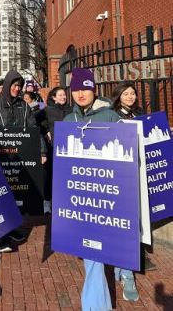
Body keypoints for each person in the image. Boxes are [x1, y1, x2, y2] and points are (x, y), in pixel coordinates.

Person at [64, 68, 139, 309]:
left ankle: (123, 271)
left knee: (110, 245)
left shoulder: (109, 117)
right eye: (76, 89)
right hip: (83, 200)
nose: (80, 94)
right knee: (92, 256)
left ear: (94, 89)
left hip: (110, 197)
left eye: (85, 88)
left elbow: (129, 157)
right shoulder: (68, 121)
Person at [0, 70, 46, 253]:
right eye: (14, 85)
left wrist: (41, 150)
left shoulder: (24, 107)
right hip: (0, 156)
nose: (17, 89)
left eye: (19, 86)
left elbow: (34, 129)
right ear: (8, 85)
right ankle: (3, 237)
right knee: (2, 196)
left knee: (17, 195)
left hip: (20, 158)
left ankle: (12, 228)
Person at [112, 82, 156, 272]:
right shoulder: (114, 115)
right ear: (119, 96)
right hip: (123, 171)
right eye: (126, 94)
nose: (130, 97)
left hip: (140, 168)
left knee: (141, 212)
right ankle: (125, 253)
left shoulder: (139, 114)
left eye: (133, 94)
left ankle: (141, 251)